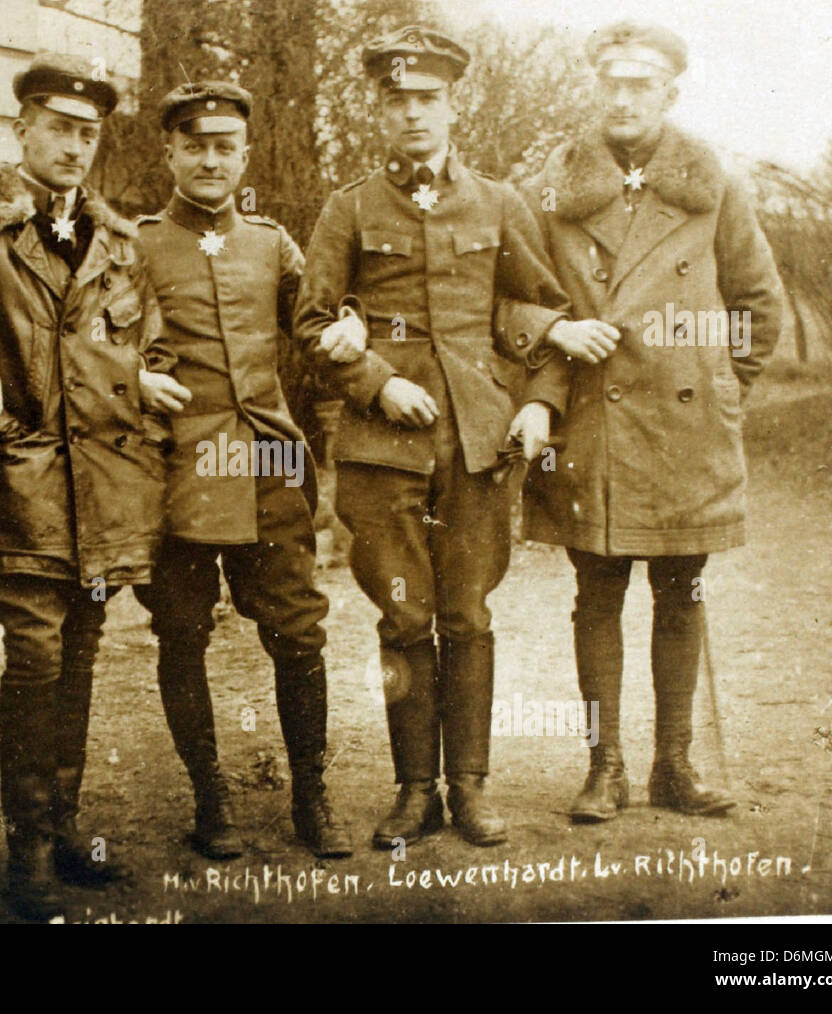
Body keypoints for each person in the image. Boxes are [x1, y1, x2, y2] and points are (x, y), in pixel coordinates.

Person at [295, 25, 584, 849]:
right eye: (398, 101)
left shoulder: (498, 203)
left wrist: (541, 406)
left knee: (467, 614)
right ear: (377, 113)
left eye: (428, 99)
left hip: (479, 445)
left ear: (453, 106)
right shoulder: (347, 208)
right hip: (380, 452)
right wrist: (376, 381)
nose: (414, 114)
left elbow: (548, 314)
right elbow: (310, 322)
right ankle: (414, 790)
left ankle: (473, 787)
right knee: (401, 618)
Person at [0, 52, 170, 919]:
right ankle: (24, 850)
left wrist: (148, 389)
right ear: (21, 129)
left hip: (105, 491)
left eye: (88, 134)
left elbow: (149, 352)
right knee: (37, 657)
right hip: (20, 491)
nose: (74, 146)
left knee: (82, 656)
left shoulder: (119, 243)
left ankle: (60, 828)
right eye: (58, 128)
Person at [494, 22, 784, 822]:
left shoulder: (712, 185)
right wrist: (551, 332)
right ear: (597, 88)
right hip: (592, 420)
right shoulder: (550, 186)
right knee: (597, 592)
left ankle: (675, 765)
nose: (624, 99)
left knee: (682, 592)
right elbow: (508, 293)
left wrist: (722, 387)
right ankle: (605, 767)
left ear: (668, 94)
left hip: (686, 427)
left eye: (641, 85)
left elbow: (760, 304)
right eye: (612, 83)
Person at [133, 81, 352, 861]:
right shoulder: (138, 243)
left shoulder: (273, 242)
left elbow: (318, 318)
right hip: (176, 473)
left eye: (225, 147)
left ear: (244, 155)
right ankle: (209, 798)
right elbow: (107, 340)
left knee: (298, 633)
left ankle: (311, 795)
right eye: (194, 146)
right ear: (170, 153)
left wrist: (351, 325)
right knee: (182, 635)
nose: (210, 161)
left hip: (265, 464)